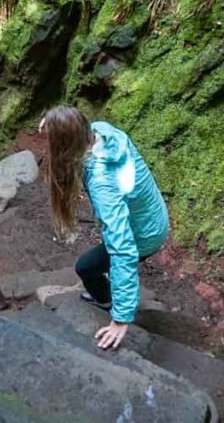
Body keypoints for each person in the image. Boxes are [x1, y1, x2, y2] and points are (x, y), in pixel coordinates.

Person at [39, 106, 169, 351]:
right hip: (154, 214)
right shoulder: (101, 131)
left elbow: (123, 249)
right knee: (95, 262)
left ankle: (107, 300)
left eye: (50, 141)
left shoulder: (102, 182)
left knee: (85, 268)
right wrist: (56, 121)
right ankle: (109, 294)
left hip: (144, 234)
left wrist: (121, 318)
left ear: (65, 147)